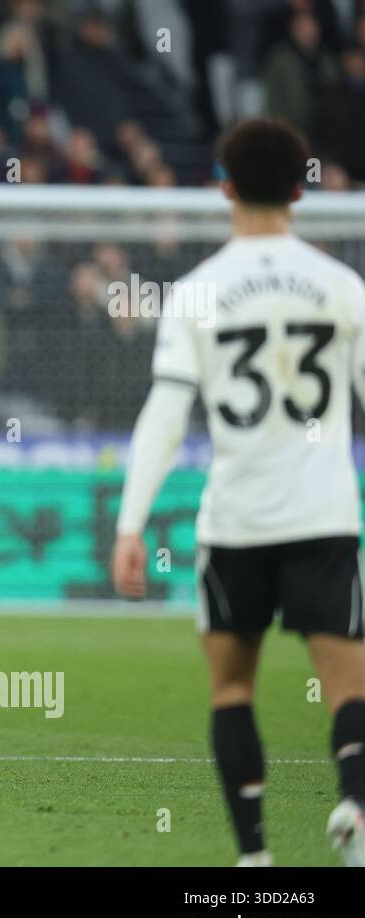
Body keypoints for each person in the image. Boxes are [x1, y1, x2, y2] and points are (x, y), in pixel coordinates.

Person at [111, 118, 365, 866]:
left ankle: (254, 861)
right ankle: (354, 805)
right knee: (349, 685)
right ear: (299, 189)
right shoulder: (343, 286)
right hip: (323, 515)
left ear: (223, 187)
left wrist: (132, 522)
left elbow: (165, 415)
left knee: (232, 691)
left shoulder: (194, 293)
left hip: (237, 522)